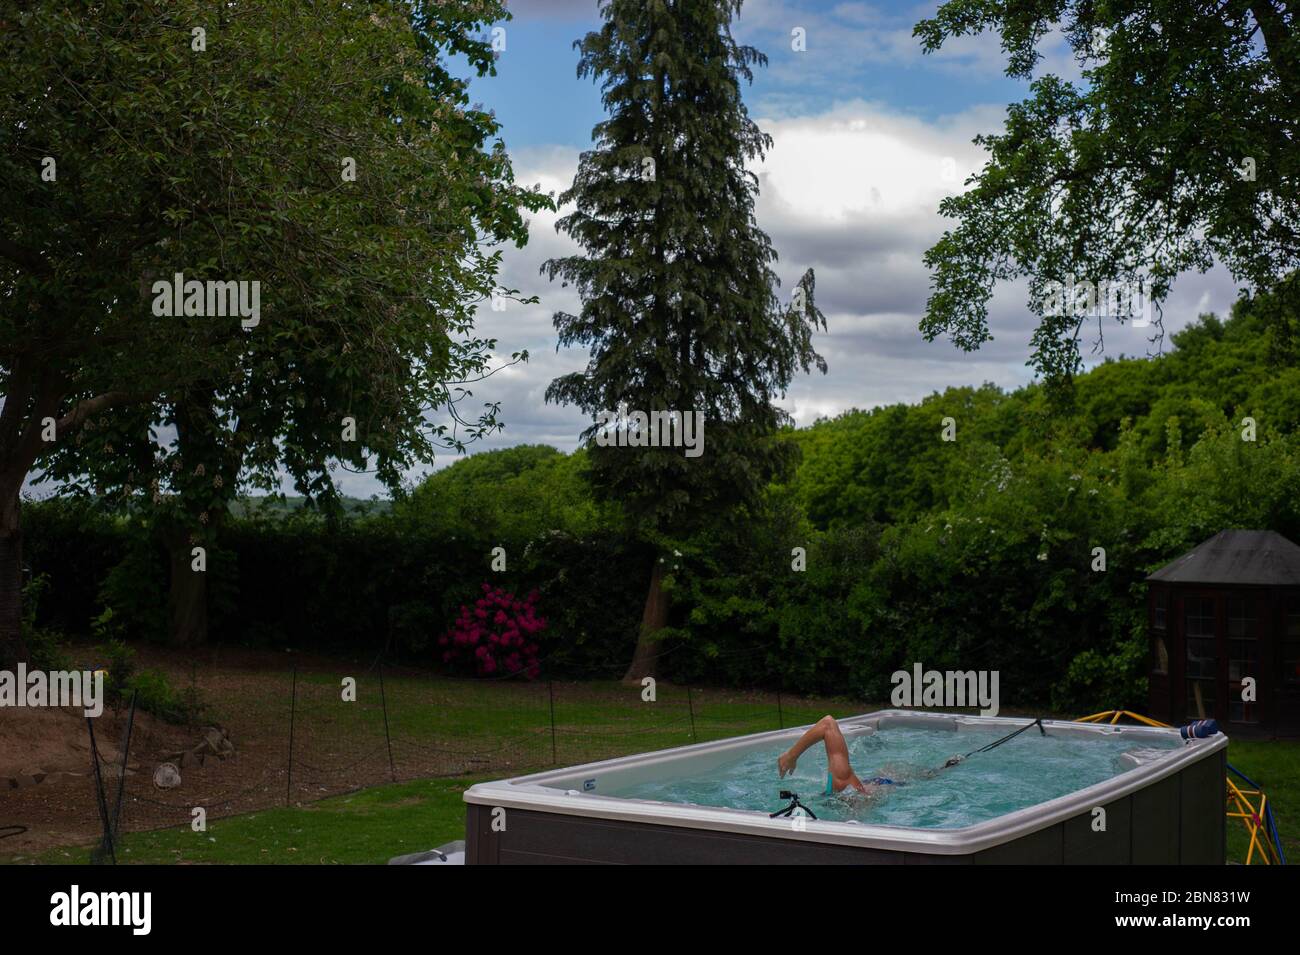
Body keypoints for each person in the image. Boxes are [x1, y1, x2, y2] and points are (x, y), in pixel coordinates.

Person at [777, 714, 895, 796]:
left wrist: (791, 756)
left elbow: (827, 724)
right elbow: (827, 723)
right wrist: (791, 756)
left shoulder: (842, 783)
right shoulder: (844, 782)